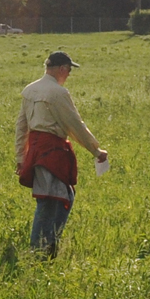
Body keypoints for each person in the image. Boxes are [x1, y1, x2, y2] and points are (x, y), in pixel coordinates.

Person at [16, 51, 107, 256]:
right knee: (51, 200)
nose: (68, 75)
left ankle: (45, 245)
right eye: (68, 71)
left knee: (56, 198)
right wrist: (96, 150)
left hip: (36, 152)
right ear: (62, 69)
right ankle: (42, 249)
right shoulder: (58, 93)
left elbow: (21, 127)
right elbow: (75, 125)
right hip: (52, 152)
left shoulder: (29, 90)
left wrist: (20, 158)